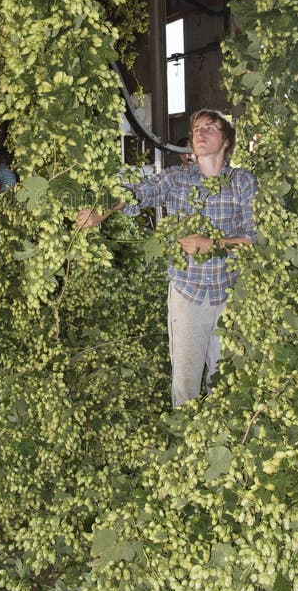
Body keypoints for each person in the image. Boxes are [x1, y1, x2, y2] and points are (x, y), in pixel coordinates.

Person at [76, 109, 257, 407]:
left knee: (225, 382)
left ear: (226, 141)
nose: (200, 133)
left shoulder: (242, 182)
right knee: (185, 383)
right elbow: (134, 193)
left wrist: (213, 244)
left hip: (230, 296)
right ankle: (186, 430)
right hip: (187, 295)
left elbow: (253, 241)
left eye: (210, 128)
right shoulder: (176, 179)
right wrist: (101, 211)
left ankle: (222, 431)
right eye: (196, 129)